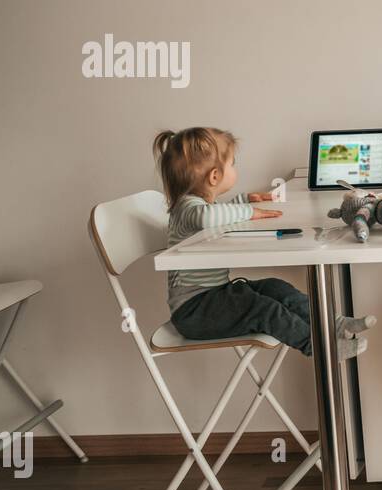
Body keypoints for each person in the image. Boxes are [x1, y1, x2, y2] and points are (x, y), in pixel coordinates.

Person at [153, 127, 368, 357]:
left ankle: (333, 324)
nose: (234, 168)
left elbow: (214, 214)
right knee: (264, 310)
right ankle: (322, 348)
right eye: (232, 163)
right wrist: (248, 211)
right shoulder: (187, 208)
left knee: (274, 287)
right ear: (215, 176)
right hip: (195, 313)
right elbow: (207, 217)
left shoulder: (197, 205)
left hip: (215, 297)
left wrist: (245, 200)